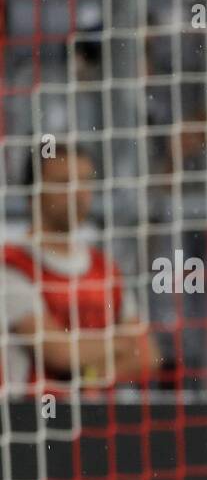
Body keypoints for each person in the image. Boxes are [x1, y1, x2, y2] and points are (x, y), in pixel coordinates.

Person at [1, 147, 158, 390]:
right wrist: (117, 344)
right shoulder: (12, 265)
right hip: (35, 417)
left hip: (102, 420)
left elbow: (146, 354)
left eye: (84, 181)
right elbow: (59, 353)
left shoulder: (104, 268)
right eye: (63, 182)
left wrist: (90, 373)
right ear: (33, 192)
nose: (77, 193)